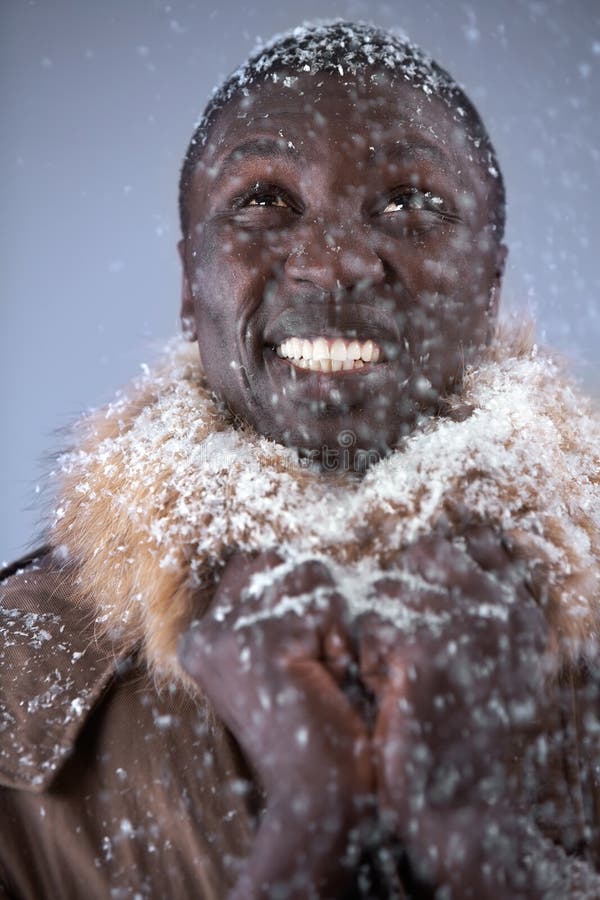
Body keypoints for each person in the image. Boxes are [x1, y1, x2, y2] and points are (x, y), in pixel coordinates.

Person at [1, 19, 600, 899]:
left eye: (411, 203)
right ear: (188, 283)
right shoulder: (18, 671)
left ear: (491, 286)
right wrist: (309, 829)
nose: (334, 262)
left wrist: (466, 828)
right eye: (264, 200)